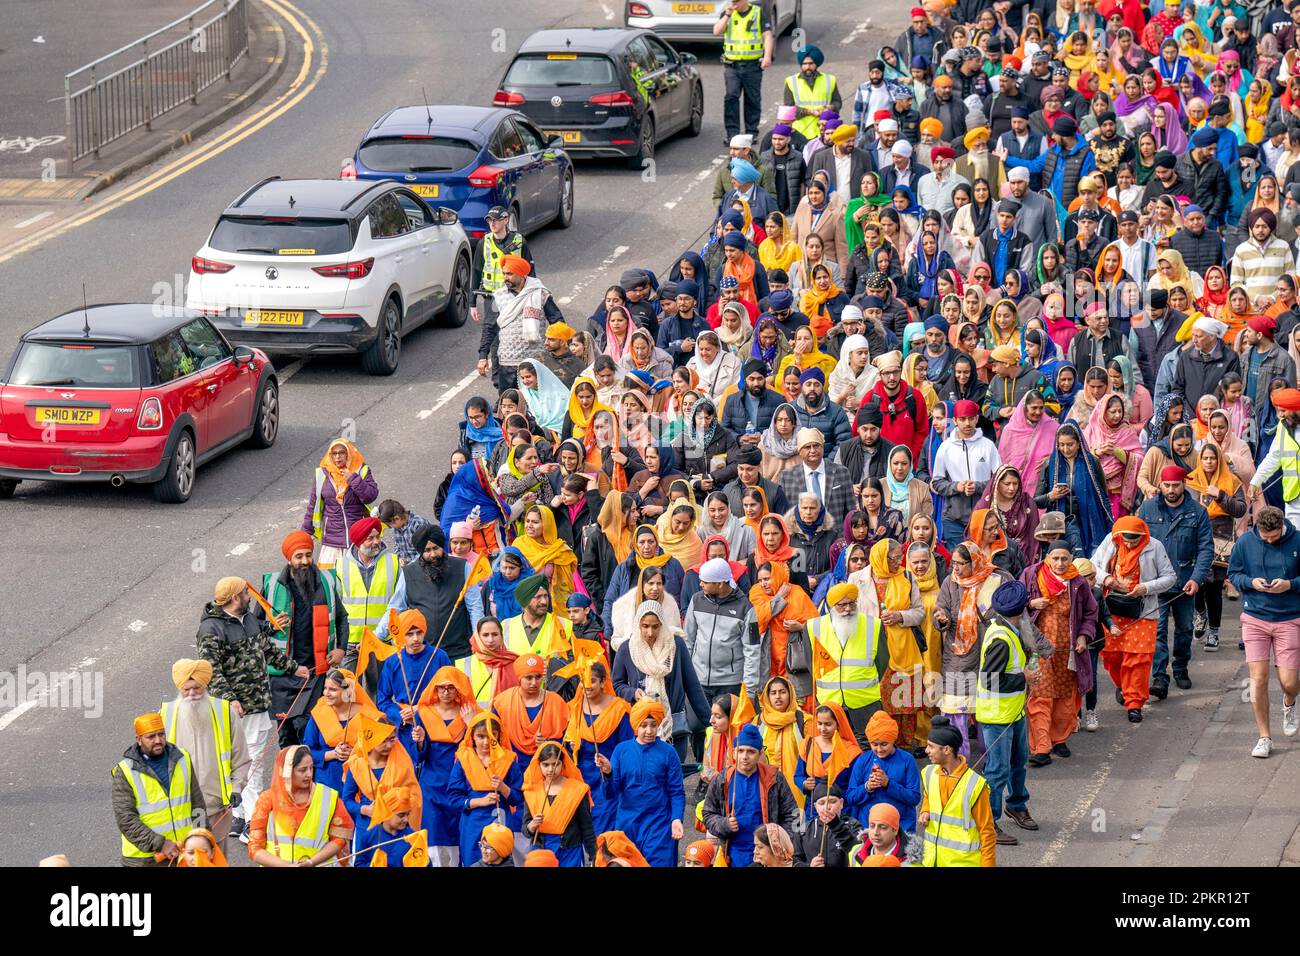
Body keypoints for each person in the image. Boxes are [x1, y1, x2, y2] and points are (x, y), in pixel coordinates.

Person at [195, 576, 309, 843]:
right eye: (246, 593)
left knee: (247, 761)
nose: (250, 596)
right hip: (234, 711)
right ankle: (254, 822)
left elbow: (268, 651)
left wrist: (295, 669)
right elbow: (210, 671)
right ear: (235, 598)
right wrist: (230, 699)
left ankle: (241, 815)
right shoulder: (210, 630)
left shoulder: (248, 620)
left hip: (256, 707)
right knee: (249, 764)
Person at [259, 532, 348, 747]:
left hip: (315, 671)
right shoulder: (271, 585)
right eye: (299, 556)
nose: (305, 561)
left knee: (307, 727)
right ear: (289, 559)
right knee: (286, 733)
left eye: (309, 555)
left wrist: (341, 649)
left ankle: (309, 773)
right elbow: (255, 628)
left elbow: (342, 617)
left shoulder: (327, 581)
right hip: (282, 674)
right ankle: (288, 777)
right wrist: (272, 626)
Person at [976, 581, 1045, 846]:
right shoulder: (1000, 639)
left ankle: (1016, 804)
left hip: (1013, 712)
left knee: (1019, 762)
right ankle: (989, 823)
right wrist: (1023, 678)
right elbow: (990, 680)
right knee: (997, 771)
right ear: (1021, 611)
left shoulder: (1008, 629)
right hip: (997, 717)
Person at [1227, 507, 1300, 758]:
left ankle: (1290, 702)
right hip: (1255, 617)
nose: (1269, 540)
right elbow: (1233, 573)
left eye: (1274, 536)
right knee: (1258, 678)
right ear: (1257, 527)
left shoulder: (1297, 541)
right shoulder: (1246, 542)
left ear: (1283, 526)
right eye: (1264, 536)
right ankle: (1264, 737)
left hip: (1289, 618)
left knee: (1290, 682)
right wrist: (1250, 583)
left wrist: (1290, 584)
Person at [1090, 515, 1177, 722]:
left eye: (1134, 540)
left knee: (1138, 659)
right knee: (1111, 656)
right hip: (1111, 611)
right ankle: (1123, 686)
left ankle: (1134, 703)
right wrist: (1108, 579)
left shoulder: (1155, 547)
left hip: (1143, 613)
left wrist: (1145, 588)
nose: (1129, 544)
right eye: (1126, 540)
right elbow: (1092, 566)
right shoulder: (1110, 541)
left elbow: (1170, 577)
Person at [1137, 467, 1214, 697]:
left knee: (1185, 628)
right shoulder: (1147, 509)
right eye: (1167, 485)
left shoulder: (1197, 512)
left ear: (1184, 484)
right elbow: (1136, 543)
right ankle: (1160, 676)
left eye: (1176, 485)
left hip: (1184, 583)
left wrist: (1196, 579)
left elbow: (1206, 549)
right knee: (1157, 632)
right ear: (1160, 485)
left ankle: (1180, 668)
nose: (1171, 490)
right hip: (1155, 584)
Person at [160, 659, 250, 852]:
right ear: (179, 689)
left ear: (205, 685)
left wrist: (237, 787)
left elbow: (241, 758)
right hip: (181, 812)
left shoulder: (225, 712)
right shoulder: (164, 715)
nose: (192, 694)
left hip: (216, 809)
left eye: (197, 688)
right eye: (186, 690)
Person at [1020, 543, 1098, 765]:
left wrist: (1084, 636)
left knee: (1065, 697)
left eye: (1065, 559)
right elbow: (1015, 602)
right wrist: (1031, 603)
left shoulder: (1078, 583)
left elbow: (1091, 612)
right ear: (1047, 558)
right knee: (1039, 696)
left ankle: (1059, 738)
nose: (1060, 564)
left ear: (1071, 559)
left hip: (1068, 652)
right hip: (1037, 651)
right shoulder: (1032, 575)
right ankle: (1041, 747)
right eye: (1055, 558)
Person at [599, 696, 686, 866]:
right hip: (627, 825)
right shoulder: (621, 751)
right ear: (635, 726)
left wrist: (676, 818)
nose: (649, 731)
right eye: (644, 725)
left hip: (659, 825)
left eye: (653, 725)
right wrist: (608, 773)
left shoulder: (668, 753)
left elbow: (676, 792)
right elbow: (610, 794)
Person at [701, 722, 801, 866]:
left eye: (751, 751)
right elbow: (708, 813)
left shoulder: (774, 778)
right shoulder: (722, 779)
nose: (744, 756)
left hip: (768, 858)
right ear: (734, 752)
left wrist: (780, 843)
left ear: (760, 754)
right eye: (740, 751)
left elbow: (794, 814)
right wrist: (724, 824)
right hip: (732, 855)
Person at [112, 713, 204, 867]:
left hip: (183, 852)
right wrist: (160, 844)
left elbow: (197, 803)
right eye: (151, 736)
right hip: (145, 860)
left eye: (161, 734)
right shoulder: (125, 771)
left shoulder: (183, 759)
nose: (158, 741)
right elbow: (126, 819)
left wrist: (203, 835)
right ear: (139, 739)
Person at [804, 582, 889, 744]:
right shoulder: (813, 626)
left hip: (865, 701)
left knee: (868, 746)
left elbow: (883, 661)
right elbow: (811, 662)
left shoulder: (874, 625)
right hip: (829, 700)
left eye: (851, 603)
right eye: (842, 605)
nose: (848, 609)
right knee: (834, 747)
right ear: (831, 607)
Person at [376, 524, 474, 663]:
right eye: (427, 550)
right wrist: (376, 637)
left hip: (459, 652)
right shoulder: (408, 573)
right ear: (420, 551)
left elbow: (474, 607)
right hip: (422, 653)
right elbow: (395, 609)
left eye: (436, 548)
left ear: (442, 546)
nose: (433, 554)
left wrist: (478, 639)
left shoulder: (463, 567)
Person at [410, 666, 477, 866]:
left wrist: (471, 724)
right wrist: (420, 742)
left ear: (458, 689)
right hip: (432, 786)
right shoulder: (424, 714)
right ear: (435, 690)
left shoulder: (470, 712)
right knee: (433, 839)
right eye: (441, 688)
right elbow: (419, 757)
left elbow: (480, 748)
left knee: (461, 836)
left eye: (451, 687)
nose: (446, 692)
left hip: (461, 785)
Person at [1185, 442, 1247, 652]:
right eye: (1205, 458)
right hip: (1196, 534)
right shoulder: (1191, 480)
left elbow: (1240, 509)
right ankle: (1200, 614)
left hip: (1221, 536)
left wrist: (1220, 495)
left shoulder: (1231, 480)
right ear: (1200, 460)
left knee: (1214, 587)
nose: (1209, 462)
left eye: (1213, 458)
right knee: (1197, 583)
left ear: (1219, 459)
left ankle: (1214, 632)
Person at [248, 744, 352, 866]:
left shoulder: (329, 797)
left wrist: (311, 862)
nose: (309, 774)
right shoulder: (267, 800)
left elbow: (340, 839)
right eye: (302, 770)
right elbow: (255, 849)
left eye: (311, 768)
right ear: (286, 772)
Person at [475, 255, 565, 392]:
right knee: (510, 406)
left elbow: (557, 321)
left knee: (536, 406)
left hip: (535, 363)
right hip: (507, 365)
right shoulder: (499, 296)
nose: (505, 277)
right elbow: (489, 327)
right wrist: (483, 356)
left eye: (509, 274)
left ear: (522, 274)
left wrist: (559, 347)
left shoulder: (540, 294)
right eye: (504, 273)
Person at [565, 660, 634, 835]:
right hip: (580, 779)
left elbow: (627, 749)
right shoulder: (575, 708)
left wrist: (612, 771)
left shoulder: (619, 709)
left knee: (604, 831)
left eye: (593, 680)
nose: (587, 685)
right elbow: (564, 742)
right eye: (583, 680)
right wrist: (569, 744)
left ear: (603, 682)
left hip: (607, 780)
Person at [917, 715, 996, 867]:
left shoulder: (975, 785)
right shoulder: (928, 773)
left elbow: (987, 832)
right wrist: (925, 811)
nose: (926, 750)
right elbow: (929, 797)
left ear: (946, 749)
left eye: (931, 746)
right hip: (931, 861)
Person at [446, 712, 523, 867]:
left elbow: (518, 798)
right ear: (472, 736)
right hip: (472, 822)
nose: (486, 742)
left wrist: (503, 788)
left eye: (491, 736)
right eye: (481, 736)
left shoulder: (507, 759)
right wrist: (480, 801)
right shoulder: (463, 759)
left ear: (499, 735)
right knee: (472, 860)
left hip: (499, 820)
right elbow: (454, 799)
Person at [377, 609, 452, 758]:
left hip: (436, 723)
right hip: (405, 728)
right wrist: (400, 715)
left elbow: (451, 693)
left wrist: (421, 709)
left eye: (419, 633)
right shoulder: (393, 661)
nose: (415, 639)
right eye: (409, 634)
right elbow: (382, 700)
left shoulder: (438, 656)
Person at [334, 516, 402, 670]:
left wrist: (379, 634)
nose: (376, 541)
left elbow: (398, 603)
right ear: (358, 543)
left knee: (377, 691)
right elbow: (335, 607)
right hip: (349, 642)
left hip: (380, 639)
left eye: (377, 536)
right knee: (346, 689)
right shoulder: (340, 565)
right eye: (370, 538)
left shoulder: (394, 562)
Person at [931, 399, 1001, 547]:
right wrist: (957, 487)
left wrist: (978, 487)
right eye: (962, 419)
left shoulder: (988, 446)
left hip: (983, 518)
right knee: (959, 562)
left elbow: (999, 479)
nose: (967, 423)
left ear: (976, 419)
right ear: (955, 421)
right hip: (953, 519)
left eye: (971, 418)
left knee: (983, 561)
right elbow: (937, 482)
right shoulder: (946, 448)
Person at [302, 438, 379, 570]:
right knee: (330, 578)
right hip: (332, 540)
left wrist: (352, 478)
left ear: (348, 454)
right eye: (334, 453)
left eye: (341, 453)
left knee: (359, 578)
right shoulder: (321, 475)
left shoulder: (361, 470)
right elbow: (313, 505)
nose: (338, 457)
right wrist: (305, 533)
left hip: (358, 537)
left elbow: (370, 496)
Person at [843, 709, 922, 834]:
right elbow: (850, 797)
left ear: (893, 740)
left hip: (900, 828)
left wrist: (889, 784)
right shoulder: (863, 760)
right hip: (868, 829)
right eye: (874, 744)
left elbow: (914, 798)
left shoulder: (907, 760)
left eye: (884, 744)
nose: (879, 749)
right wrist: (867, 787)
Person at [520, 742, 597, 867]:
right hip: (541, 852)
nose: (550, 769)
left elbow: (587, 827)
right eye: (546, 765)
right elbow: (525, 828)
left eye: (555, 764)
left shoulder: (577, 790)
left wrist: (594, 856)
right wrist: (532, 825)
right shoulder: (532, 791)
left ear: (563, 764)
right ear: (538, 765)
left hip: (569, 852)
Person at [714, 1, 774, 142]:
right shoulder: (728, 13)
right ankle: (732, 134)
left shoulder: (757, 12)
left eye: (737, 1)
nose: (734, 4)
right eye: (733, 1)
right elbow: (717, 31)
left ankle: (751, 133)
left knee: (752, 99)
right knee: (731, 97)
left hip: (752, 65)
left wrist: (767, 56)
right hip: (732, 65)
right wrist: (727, 15)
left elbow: (767, 36)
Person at [492, 654, 569, 762]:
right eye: (529, 678)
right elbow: (493, 737)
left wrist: (548, 744)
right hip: (512, 767)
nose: (534, 682)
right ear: (519, 678)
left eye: (538, 677)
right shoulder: (503, 702)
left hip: (547, 769)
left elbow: (567, 740)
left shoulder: (556, 703)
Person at [780, 427, 856, 531]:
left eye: (816, 446)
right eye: (807, 447)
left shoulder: (841, 472)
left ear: (823, 447)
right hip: (802, 538)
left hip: (836, 537)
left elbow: (851, 511)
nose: (812, 450)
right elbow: (785, 512)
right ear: (799, 451)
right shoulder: (788, 476)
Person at [1252, 387, 1300, 529]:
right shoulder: (1283, 427)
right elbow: (1273, 457)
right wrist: (1256, 481)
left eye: (1283, 411)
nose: (1280, 415)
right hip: (1293, 496)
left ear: (1296, 409)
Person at [350, 788, 426, 868]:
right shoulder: (369, 836)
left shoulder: (413, 837)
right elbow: (358, 864)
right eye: (401, 815)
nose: (406, 819)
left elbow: (424, 863)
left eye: (408, 814)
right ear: (386, 812)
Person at [793, 781, 864, 867]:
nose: (827, 807)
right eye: (821, 803)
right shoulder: (803, 830)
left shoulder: (853, 826)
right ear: (815, 806)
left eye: (832, 801)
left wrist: (835, 825)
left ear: (841, 803)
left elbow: (860, 855)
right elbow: (795, 861)